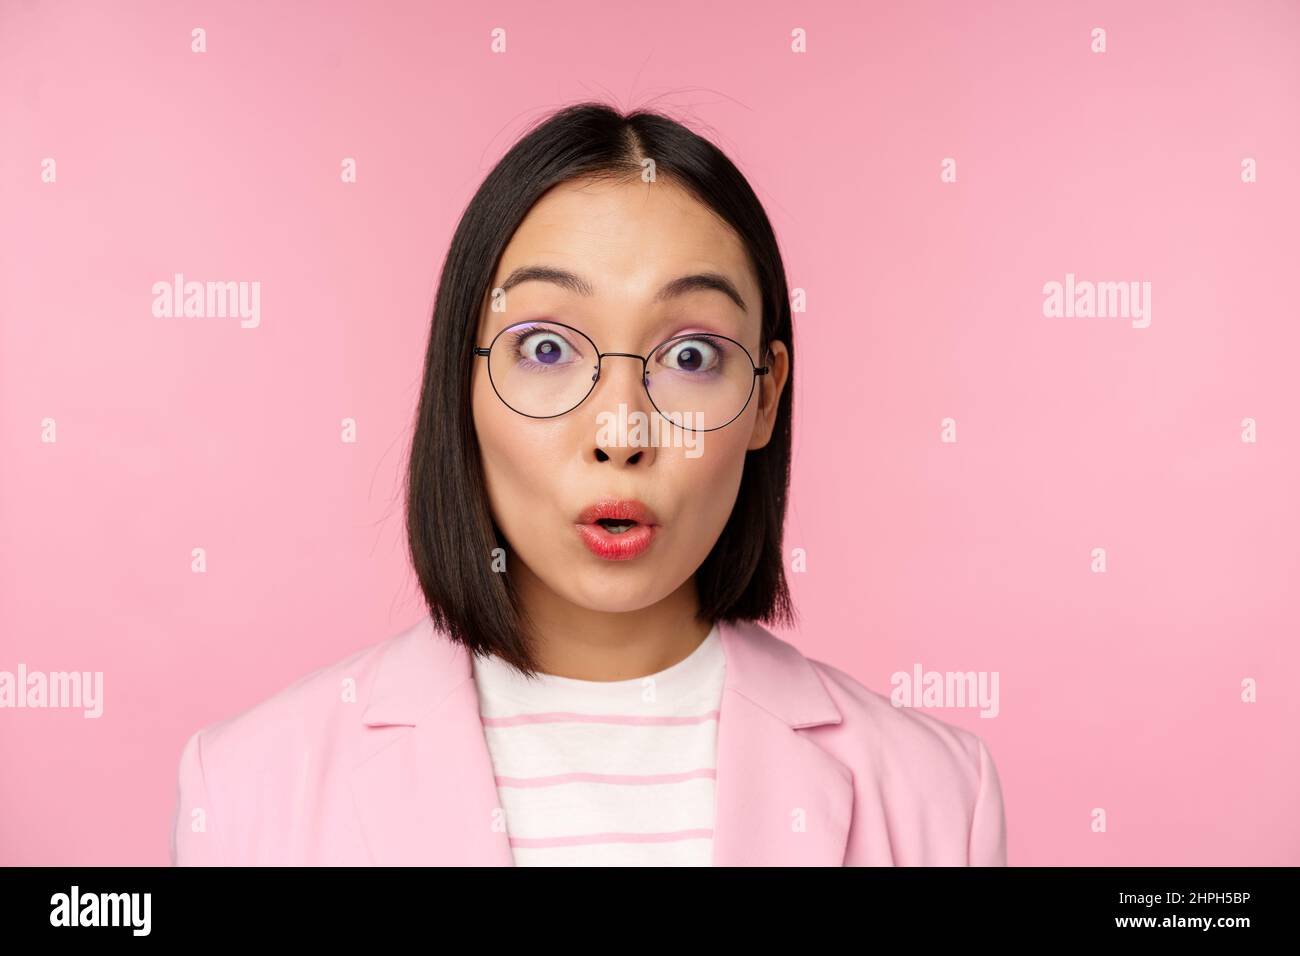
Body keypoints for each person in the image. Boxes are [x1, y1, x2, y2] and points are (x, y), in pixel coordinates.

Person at [170, 102, 1007, 866]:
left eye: (690, 357)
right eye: (545, 348)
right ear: (459, 383)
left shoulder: (938, 795)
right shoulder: (247, 789)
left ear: (764, 396)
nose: (621, 434)